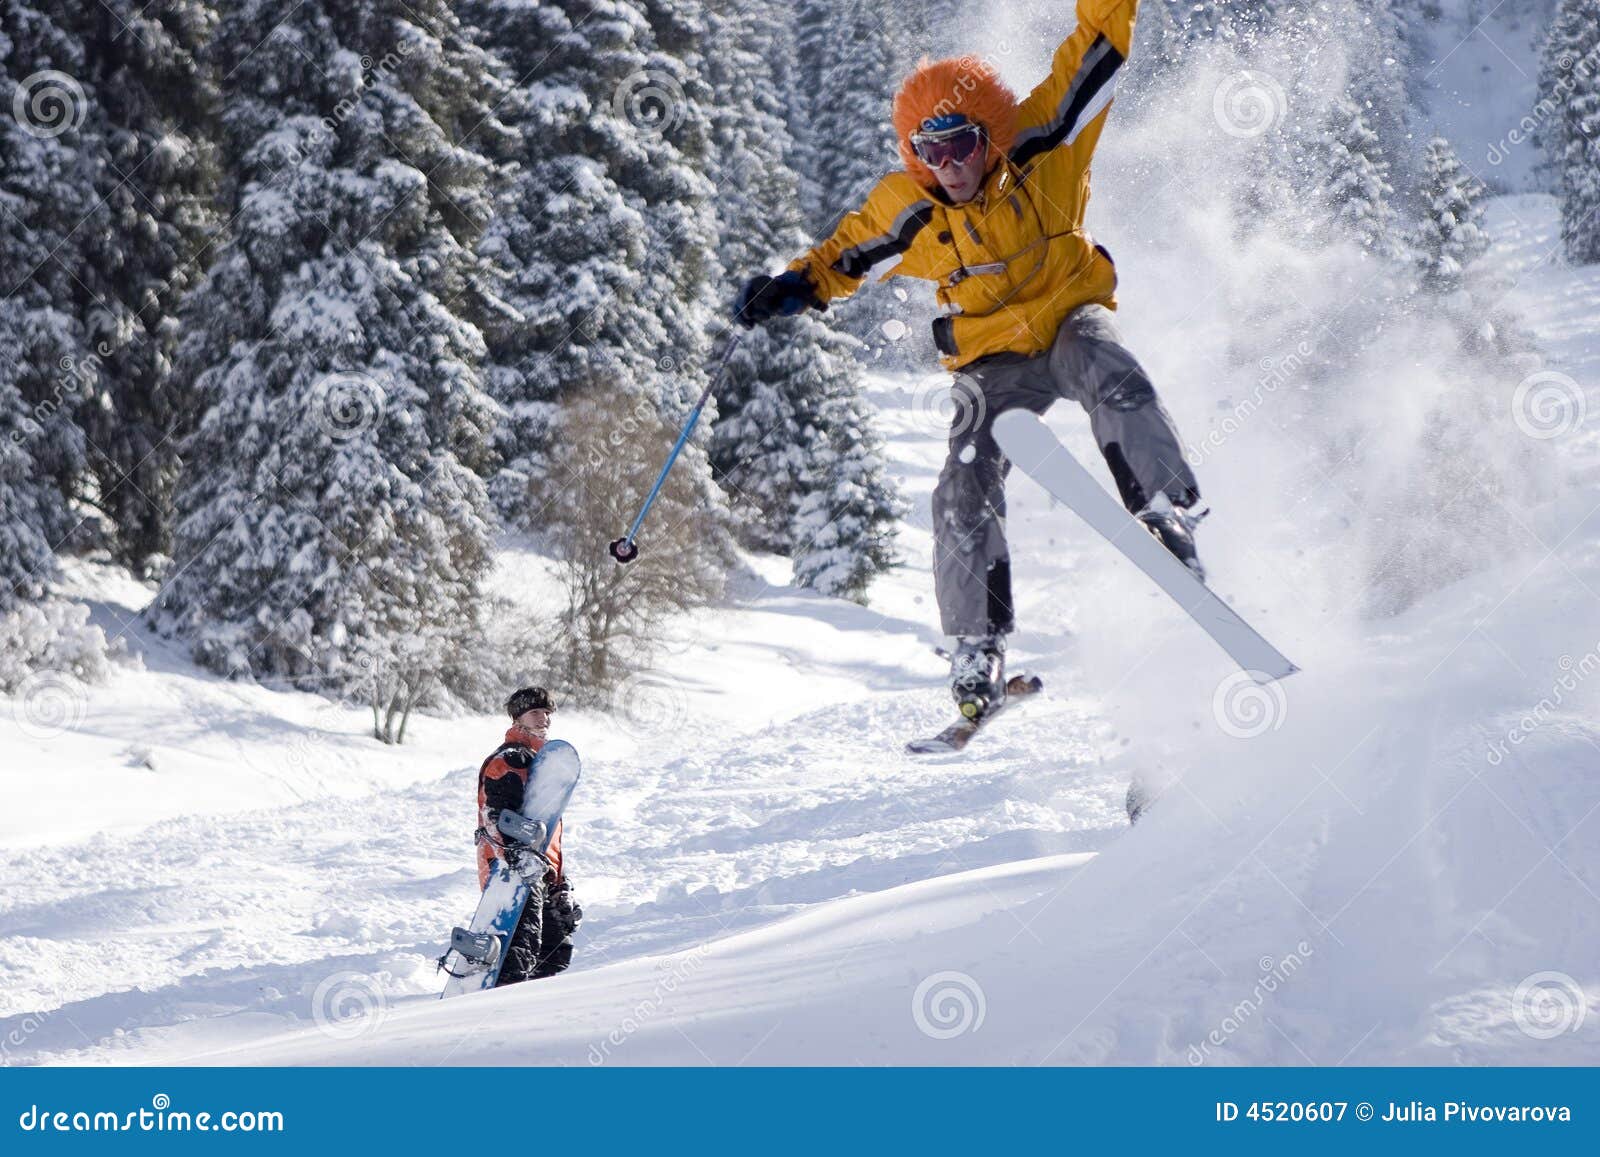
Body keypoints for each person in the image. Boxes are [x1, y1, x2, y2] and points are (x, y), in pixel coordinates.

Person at [734, 0, 1203, 720]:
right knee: (962, 479)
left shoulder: (1047, 142)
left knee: (1111, 369)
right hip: (991, 363)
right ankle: (976, 644)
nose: (948, 165)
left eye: (960, 144)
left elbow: (1100, 42)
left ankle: (1164, 504)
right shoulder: (911, 208)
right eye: (931, 151)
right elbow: (841, 257)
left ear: (990, 136)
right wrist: (791, 288)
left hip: (1068, 320)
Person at [476, 686, 582, 985]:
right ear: (517, 718)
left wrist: (560, 883)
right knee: (519, 952)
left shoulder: (544, 763)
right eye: (535, 712)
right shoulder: (510, 759)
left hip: (542, 869)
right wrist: (515, 856)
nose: (543, 718)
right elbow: (496, 816)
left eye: (547, 713)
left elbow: (549, 832)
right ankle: (497, 1002)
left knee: (555, 952)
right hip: (511, 868)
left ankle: (533, 1005)